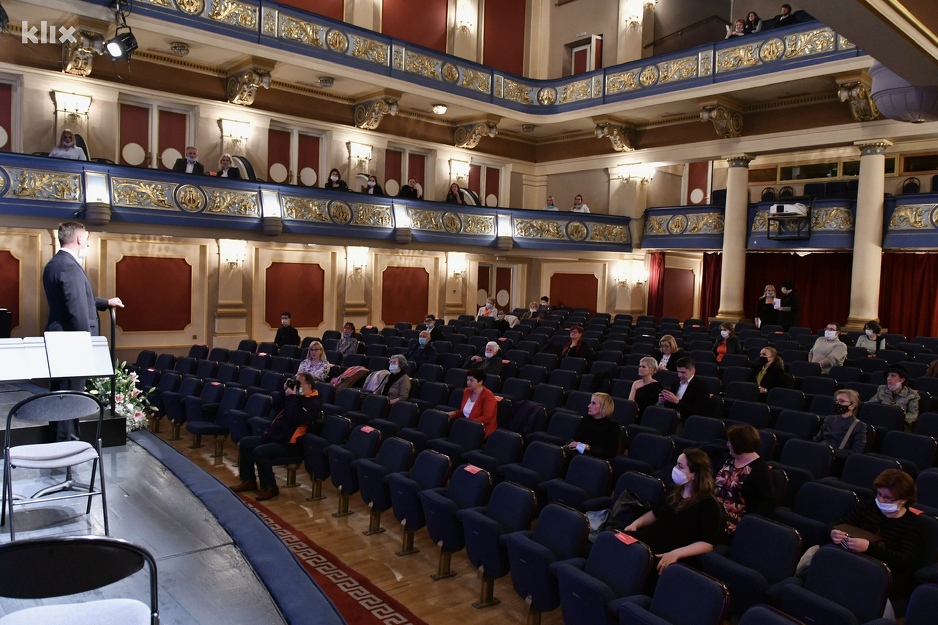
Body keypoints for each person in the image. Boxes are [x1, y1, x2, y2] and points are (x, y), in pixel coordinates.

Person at [43, 221, 124, 440]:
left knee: (61, 396)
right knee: (71, 398)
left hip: (59, 340)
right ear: (79, 239)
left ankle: (61, 443)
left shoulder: (55, 263)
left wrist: (105, 302)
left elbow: (79, 300)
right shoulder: (70, 266)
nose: (87, 242)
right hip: (72, 344)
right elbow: (76, 310)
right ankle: (67, 446)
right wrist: (86, 347)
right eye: (86, 238)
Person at [829, 469, 926, 618]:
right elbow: (838, 524)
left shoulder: (912, 523)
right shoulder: (868, 507)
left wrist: (869, 548)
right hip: (857, 562)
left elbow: (904, 561)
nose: (881, 500)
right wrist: (833, 532)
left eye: (888, 498)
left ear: (904, 500)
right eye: (879, 494)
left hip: (887, 573)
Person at [624, 448, 722, 574]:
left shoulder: (709, 504)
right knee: (617, 541)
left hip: (674, 550)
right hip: (653, 538)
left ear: (695, 474)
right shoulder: (672, 490)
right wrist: (636, 524)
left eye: (680, 466)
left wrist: (676, 554)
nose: (675, 469)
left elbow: (707, 543)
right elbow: (655, 514)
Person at [231, 371, 321, 501]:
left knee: (260, 452)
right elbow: (275, 405)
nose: (295, 385)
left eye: (298, 383)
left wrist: (291, 397)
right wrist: (284, 390)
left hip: (292, 444)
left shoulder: (313, 403)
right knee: (246, 442)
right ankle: (248, 480)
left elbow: (295, 418)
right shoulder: (295, 396)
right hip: (277, 437)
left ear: (308, 386)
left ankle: (270, 487)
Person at [714, 424, 776, 536]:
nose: (727, 444)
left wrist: (749, 523)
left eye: (730, 442)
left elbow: (769, 502)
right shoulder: (729, 458)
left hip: (735, 519)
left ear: (739, 445)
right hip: (715, 508)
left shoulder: (759, 469)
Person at [565, 392, 621, 459]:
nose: (589, 406)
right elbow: (577, 439)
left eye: (593, 403)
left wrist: (587, 447)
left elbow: (610, 453)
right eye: (590, 402)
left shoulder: (612, 426)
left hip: (595, 461)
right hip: (579, 455)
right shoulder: (586, 419)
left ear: (604, 407)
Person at [814, 389, 867, 456]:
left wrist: (831, 452)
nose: (837, 404)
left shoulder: (859, 426)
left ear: (852, 406)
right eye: (836, 401)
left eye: (841, 401)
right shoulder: (829, 419)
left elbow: (856, 452)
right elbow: (817, 439)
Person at [448, 369, 497, 438]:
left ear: (480, 382)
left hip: (480, 429)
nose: (468, 383)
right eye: (467, 380)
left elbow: (487, 418)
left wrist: (467, 423)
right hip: (466, 425)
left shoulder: (488, 397)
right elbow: (464, 412)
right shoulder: (467, 391)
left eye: (471, 380)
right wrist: (455, 413)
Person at [659, 358, 711, 422]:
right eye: (678, 372)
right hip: (672, 418)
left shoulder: (701, 386)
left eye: (683, 372)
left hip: (689, 421)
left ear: (693, 371)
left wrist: (677, 401)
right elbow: (672, 406)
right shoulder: (675, 384)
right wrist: (665, 401)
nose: (680, 375)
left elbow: (699, 411)